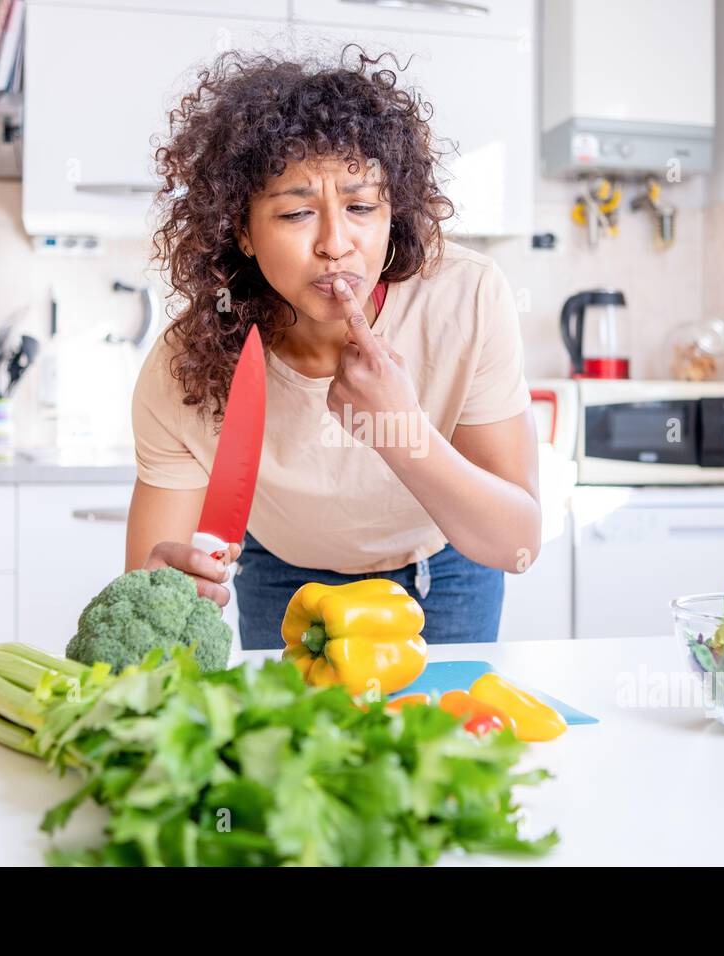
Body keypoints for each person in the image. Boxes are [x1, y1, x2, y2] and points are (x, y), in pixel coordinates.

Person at [125, 48, 541, 649]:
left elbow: (518, 544)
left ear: (393, 212)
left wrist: (404, 433)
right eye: (296, 212)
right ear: (240, 228)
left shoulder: (467, 298)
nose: (335, 244)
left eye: (362, 207)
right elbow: (149, 609)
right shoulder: (186, 366)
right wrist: (165, 589)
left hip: (446, 569)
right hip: (283, 578)